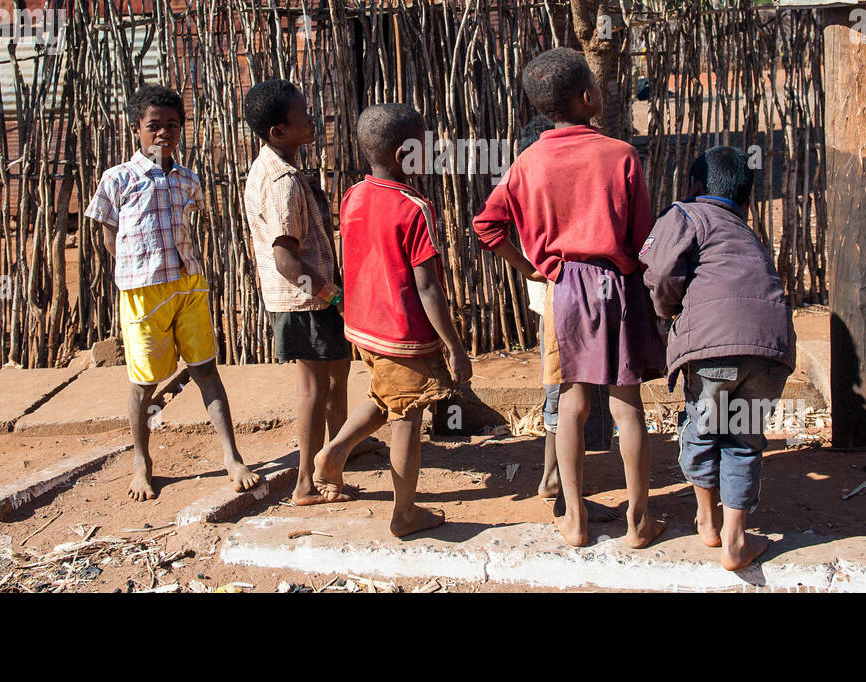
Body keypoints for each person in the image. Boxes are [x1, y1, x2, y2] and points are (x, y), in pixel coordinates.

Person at [473, 48, 667, 549]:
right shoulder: (621, 154)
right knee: (628, 407)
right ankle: (638, 522)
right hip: (618, 286)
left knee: (573, 405)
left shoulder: (527, 162)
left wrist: (535, 270)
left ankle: (576, 520)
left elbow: (487, 226)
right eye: (596, 85)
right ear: (587, 97)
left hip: (565, 292)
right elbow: (644, 239)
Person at [86, 84, 261, 502]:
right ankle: (142, 463)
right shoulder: (118, 179)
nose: (163, 133)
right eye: (154, 126)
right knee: (144, 383)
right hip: (144, 293)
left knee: (205, 370)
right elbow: (108, 232)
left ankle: (231, 456)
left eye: (172, 126)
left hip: (189, 285)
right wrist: (133, 270)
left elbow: (194, 225)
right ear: (136, 130)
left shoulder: (188, 180)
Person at [312, 104, 472, 536]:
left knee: (387, 398)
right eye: (427, 146)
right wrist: (454, 347)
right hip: (403, 333)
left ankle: (333, 453)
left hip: (363, 327)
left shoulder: (353, 194)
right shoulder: (415, 208)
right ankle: (405, 513)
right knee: (409, 416)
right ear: (405, 155)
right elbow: (428, 288)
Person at [640, 146, 796, 571]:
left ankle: (707, 523)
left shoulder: (685, 214)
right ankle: (737, 540)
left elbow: (659, 270)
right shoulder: (747, 235)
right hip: (770, 350)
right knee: (743, 438)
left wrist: (668, 311)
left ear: (693, 187)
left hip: (715, 349)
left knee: (704, 428)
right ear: (746, 201)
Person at [242, 79, 352, 506]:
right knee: (313, 390)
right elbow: (286, 261)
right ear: (278, 132)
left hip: (311, 298)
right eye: (303, 114)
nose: (311, 119)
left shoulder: (276, 169)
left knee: (335, 377)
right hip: (305, 301)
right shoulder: (283, 182)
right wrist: (333, 296)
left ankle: (336, 461)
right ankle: (306, 483)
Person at [516, 115, 617, 518]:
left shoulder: (532, 183)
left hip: (560, 303)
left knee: (565, 395)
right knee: (565, 397)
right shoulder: (537, 187)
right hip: (563, 306)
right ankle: (560, 489)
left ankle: (555, 478)